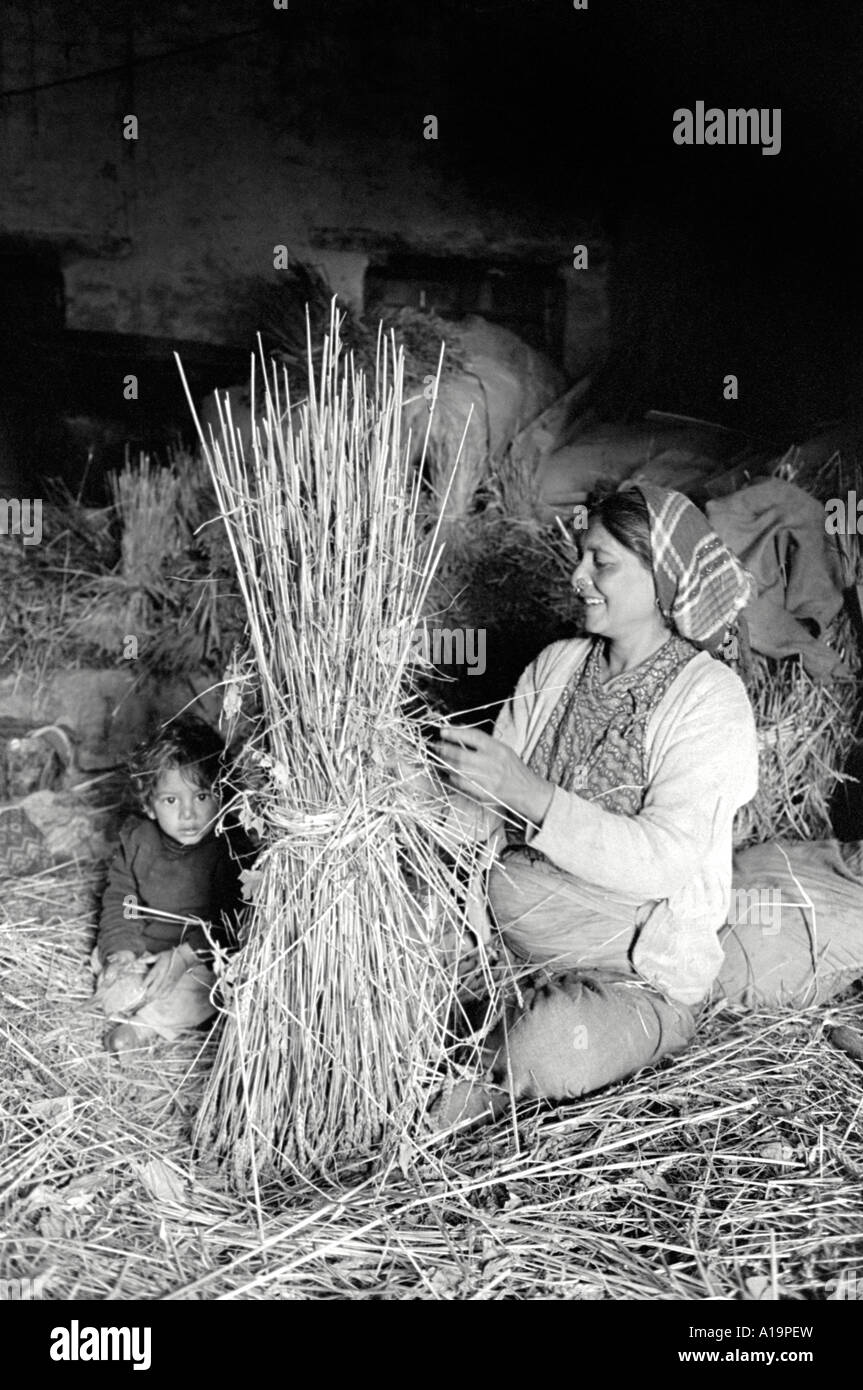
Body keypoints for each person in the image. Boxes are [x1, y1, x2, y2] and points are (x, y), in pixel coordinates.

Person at [433, 483, 760, 1125]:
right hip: (504, 945)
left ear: (662, 579)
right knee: (393, 955)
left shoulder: (710, 701)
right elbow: (483, 814)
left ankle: (479, 1074)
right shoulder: (556, 665)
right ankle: (479, 1030)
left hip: (632, 970)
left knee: (553, 1046)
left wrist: (531, 793)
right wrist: (414, 795)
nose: (579, 575)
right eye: (583, 556)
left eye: (602, 563)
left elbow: (665, 861)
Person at [93, 715, 254, 1058]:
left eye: (201, 796)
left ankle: (144, 1026)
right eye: (170, 800)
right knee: (108, 973)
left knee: (207, 989)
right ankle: (133, 999)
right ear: (149, 804)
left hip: (199, 959)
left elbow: (232, 921)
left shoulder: (229, 848)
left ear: (222, 794)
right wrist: (122, 951)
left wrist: (184, 957)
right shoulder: (137, 840)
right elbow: (122, 900)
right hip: (145, 951)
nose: (187, 813)